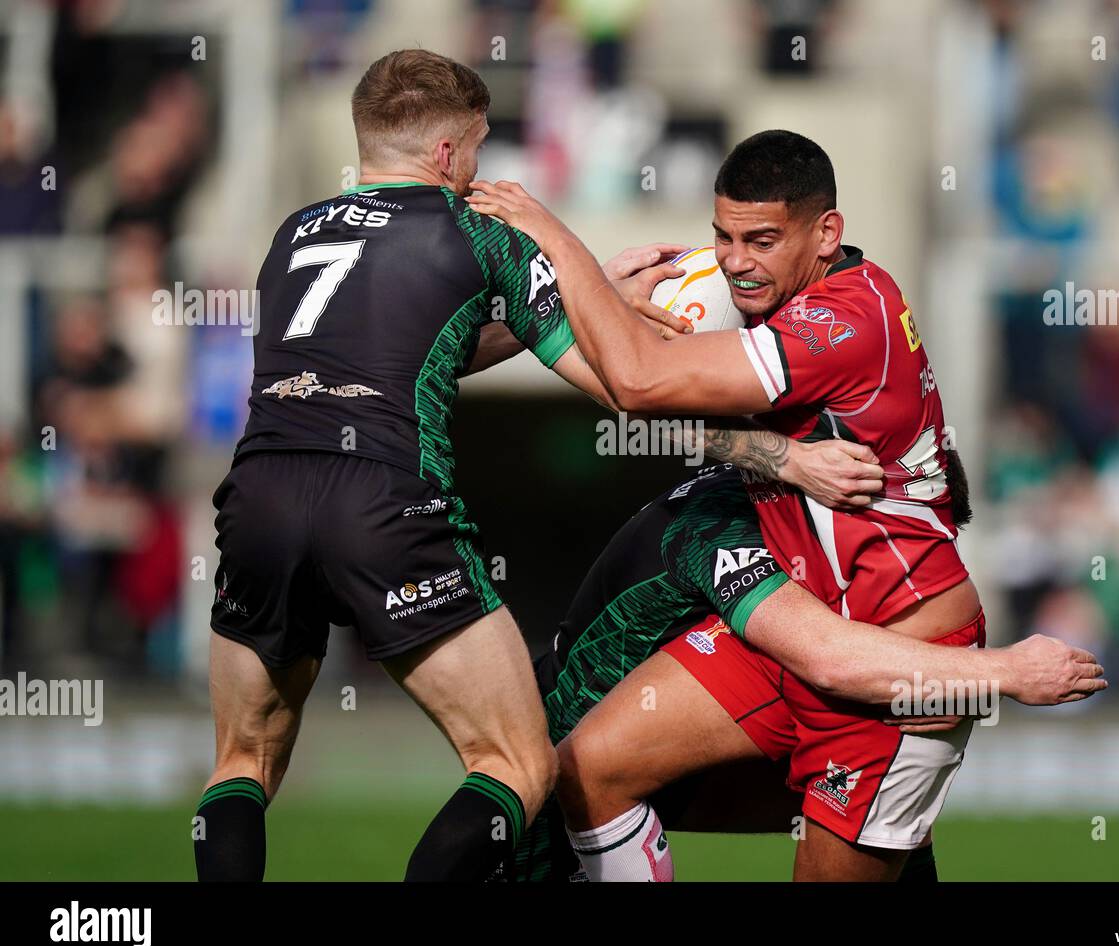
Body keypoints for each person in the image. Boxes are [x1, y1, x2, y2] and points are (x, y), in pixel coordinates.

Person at [197, 55, 876, 883]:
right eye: (480, 147)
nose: (481, 168)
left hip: (257, 495)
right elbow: (633, 394)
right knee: (519, 764)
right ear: (449, 155)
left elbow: (411, 353)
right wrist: (785, 457)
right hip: (381, 498)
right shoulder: (482, 233)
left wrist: (557, 304)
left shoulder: (293, 234)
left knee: (241, 761)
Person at [467, 129, 1004, 879]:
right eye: (723, 235)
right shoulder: (775, 291)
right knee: (589, 770)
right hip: (795, 633)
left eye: (760, 239)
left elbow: (640, 383)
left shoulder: (842, 320)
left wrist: (556, 241)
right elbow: (641, 394)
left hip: (894, 664)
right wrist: (782, 456)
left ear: (827, 233)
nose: (735, 260)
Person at [509, 463, 1104, 881]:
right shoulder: (740, 528)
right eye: (914, 531)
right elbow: (829, 656)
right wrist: (996, 674)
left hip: (597, 754)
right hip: (549, 748)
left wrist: (942, 678)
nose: (919, 556)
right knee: (582, 776)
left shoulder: (806, 527)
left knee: (881, 811)